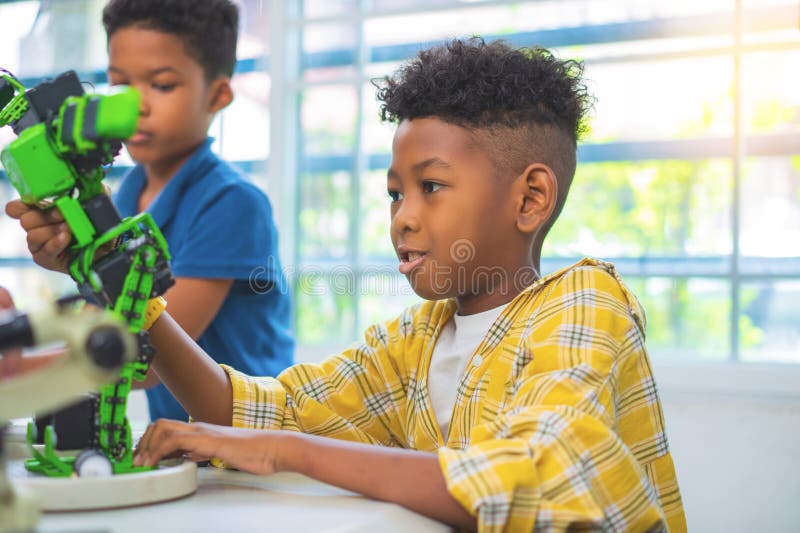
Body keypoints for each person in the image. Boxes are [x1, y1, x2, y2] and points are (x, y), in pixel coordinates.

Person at [14, 38, 687, 531]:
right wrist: (125, 287)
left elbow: (532, 475)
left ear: (531, 197)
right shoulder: (416, 340)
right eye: (395, 193)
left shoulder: (584, 303)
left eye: (431, 187)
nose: (403, 217)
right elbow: (249, 410)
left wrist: (286, 451)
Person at [4, 0, 294, 422]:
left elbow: (141, 352)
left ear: (218, 95)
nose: (136, 105)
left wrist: (17, 365)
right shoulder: (124, 197)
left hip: (252, 444)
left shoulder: (232, 204)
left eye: (161, 85)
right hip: (184, 443)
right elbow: (102, 315)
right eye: (120, 84)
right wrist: (76, 264)